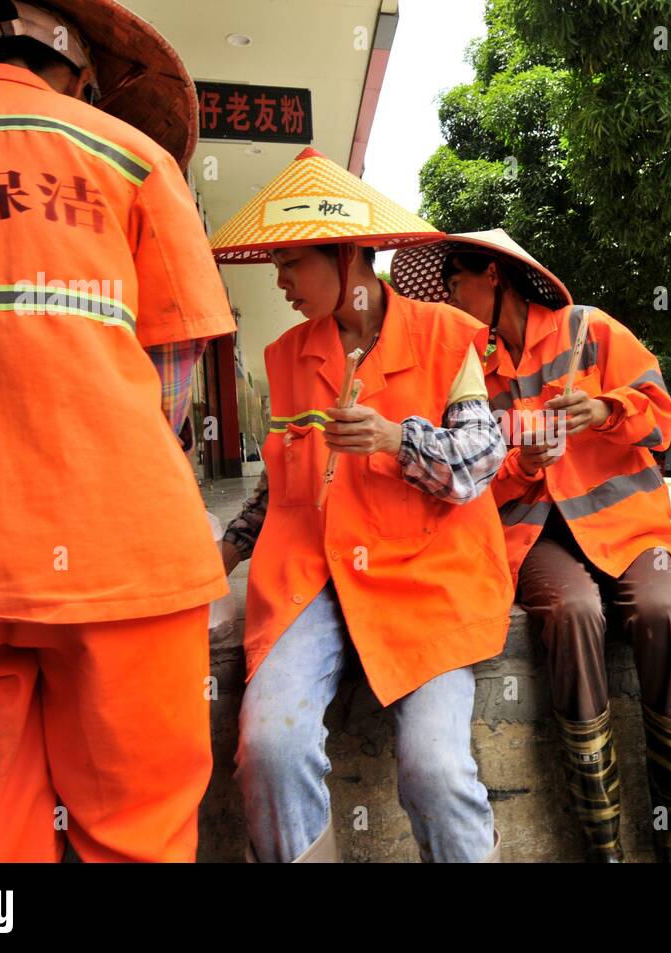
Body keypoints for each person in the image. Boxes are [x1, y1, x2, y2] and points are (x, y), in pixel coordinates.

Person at [0, 0, 235, 860]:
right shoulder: (130, 154)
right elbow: (174, 378)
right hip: (124, 561)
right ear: (82, 73)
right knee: (139, 834)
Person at [211, 149, 512, 863]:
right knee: (269, 750)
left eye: (292, 261)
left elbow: (479, 461)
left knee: (435, 768)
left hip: (426, 579)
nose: (278, 280)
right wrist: (212, 560)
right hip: (310, 578)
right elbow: (274, 490)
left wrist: (394, 438)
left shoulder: (447, 337)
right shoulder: (286, 356)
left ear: (349, 257)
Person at [391, 230, 671, 862]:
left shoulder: (590, 329)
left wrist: (606, 411)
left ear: (492, 277)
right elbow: (475, 479)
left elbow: (662, 421)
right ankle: (603, 845)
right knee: (572, 612)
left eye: (455, 287)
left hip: (622, 524)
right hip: (532, 531)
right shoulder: (469, 369)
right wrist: (525, 463)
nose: (449, 303)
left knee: (664, 612)